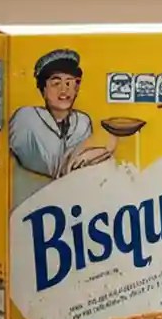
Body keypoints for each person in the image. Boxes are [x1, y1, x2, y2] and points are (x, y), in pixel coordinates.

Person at [8, 49, 96, 203]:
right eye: (56, 83)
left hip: (72, 204)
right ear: (43, 89)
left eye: (69, 83)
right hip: (28, 202)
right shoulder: (26, 119)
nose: (64, 90)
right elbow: (56, 168)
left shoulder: (82, 123)